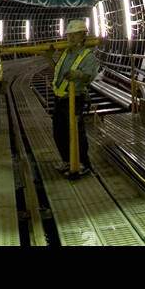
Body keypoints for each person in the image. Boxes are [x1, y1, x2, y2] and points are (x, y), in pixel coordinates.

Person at [47, 19, 99, 178]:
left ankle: (83, 164)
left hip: (74, 100)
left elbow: (88, 77)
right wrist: (48, 58)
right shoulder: (65, 54)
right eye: (68, 35)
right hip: (60, 98)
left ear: (83, 36)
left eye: (74, 35)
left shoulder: (87, 56)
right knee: (59, 132)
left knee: (76, 134)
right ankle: (67, 161)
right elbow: (57, 70)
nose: (70, 39)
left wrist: (79, 75)